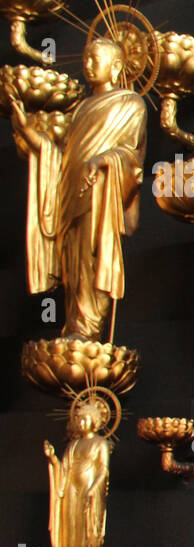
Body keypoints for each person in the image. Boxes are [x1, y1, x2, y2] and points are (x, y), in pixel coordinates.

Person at [13, 37, 145, 341]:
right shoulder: (80, 109)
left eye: (94, 58)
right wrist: (27, 132)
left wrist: (104, 160)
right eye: (85, 58)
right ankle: (74, 325)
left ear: (115, 67)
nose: (87, 64)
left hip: (100, 194)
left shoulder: (129, 103)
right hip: (71, 196)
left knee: (92, 259)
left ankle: (88, 329)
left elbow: (132, 155)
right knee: (73, 267)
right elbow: (59, 159)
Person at [44, 399, 112, 547]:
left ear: (95, 421)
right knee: (70, 530)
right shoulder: (72, 445)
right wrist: (53, 459)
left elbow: (103, 470)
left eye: (85, 419)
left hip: (88, 491)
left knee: (85, 532)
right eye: (79, 419)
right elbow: (64, 470)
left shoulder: (100, 443)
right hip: (70, 491)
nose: (81, 423)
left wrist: (93, 489)